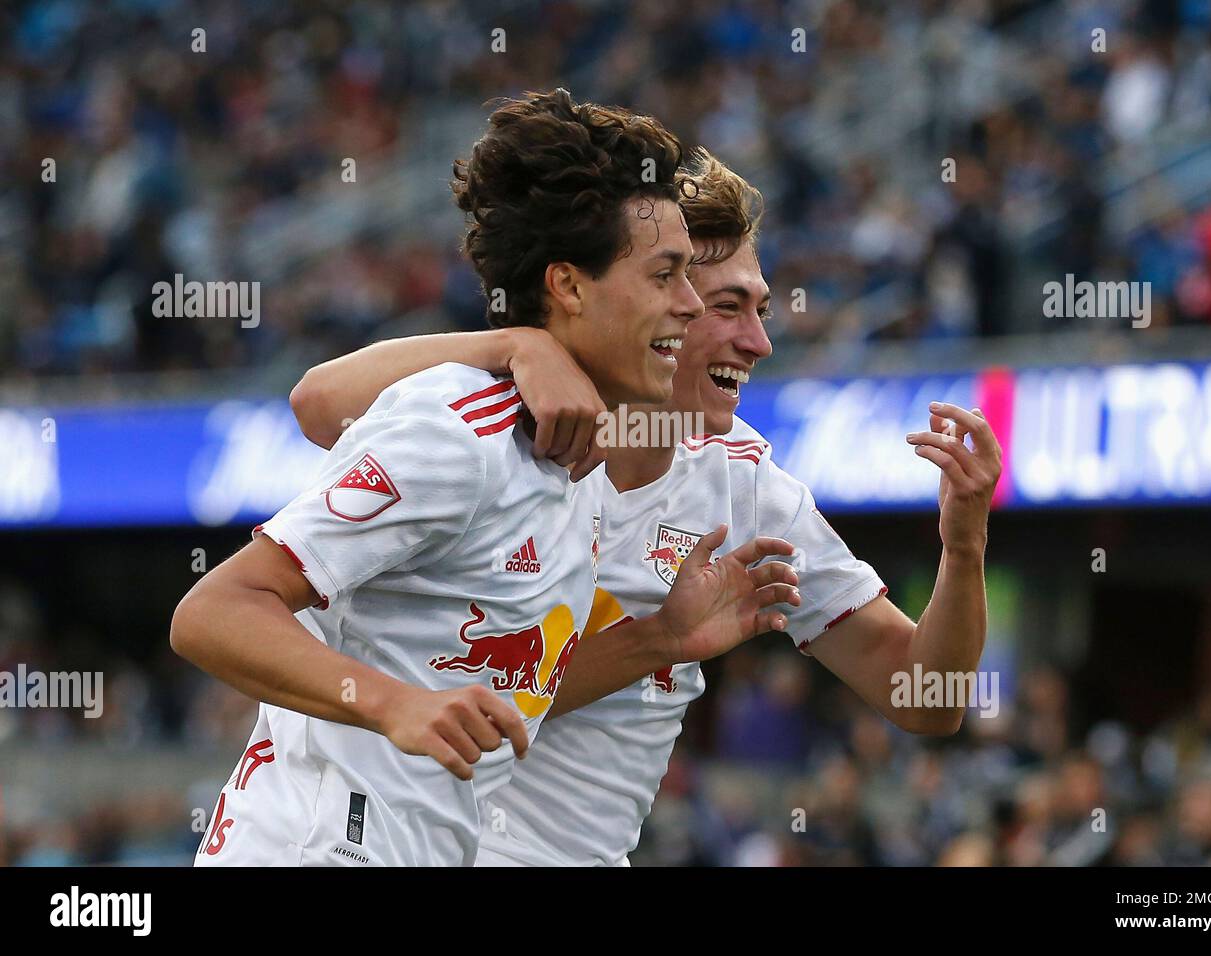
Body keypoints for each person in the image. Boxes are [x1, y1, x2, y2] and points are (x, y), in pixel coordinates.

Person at [291, 148, 1001, 866]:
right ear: (658, 301)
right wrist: (512, 344)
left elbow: (924, 698)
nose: (758, 341)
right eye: (726, 307)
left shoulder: (744, 485)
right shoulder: (508, 428)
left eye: (759, 307)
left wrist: (965, 547)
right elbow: (318, 404)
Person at [171, 92, 797, 867]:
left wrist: (662, 640)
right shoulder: (462, 429)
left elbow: (500, 690)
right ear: (569, 287)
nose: (691, 303)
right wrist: (390, 704)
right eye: (666, 274)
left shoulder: (574, 468)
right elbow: (214, 610)